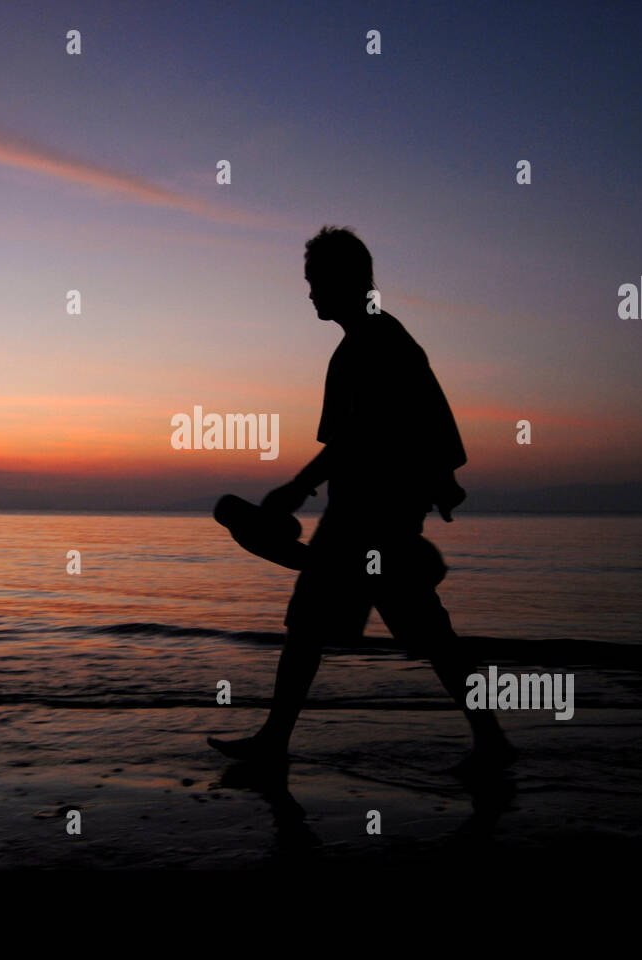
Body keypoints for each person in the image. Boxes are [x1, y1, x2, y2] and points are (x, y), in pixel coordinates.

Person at [209, 226, 514, 774]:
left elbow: (357, 438)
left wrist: (296, 489)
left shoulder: (370, 344)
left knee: (326, 623)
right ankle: (489, 739)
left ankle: (275, 744)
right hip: (374, 514)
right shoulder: (373, 340)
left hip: (370, 516)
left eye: (314, 282)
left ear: (340, 279)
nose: (309, 294)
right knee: (414, 630)